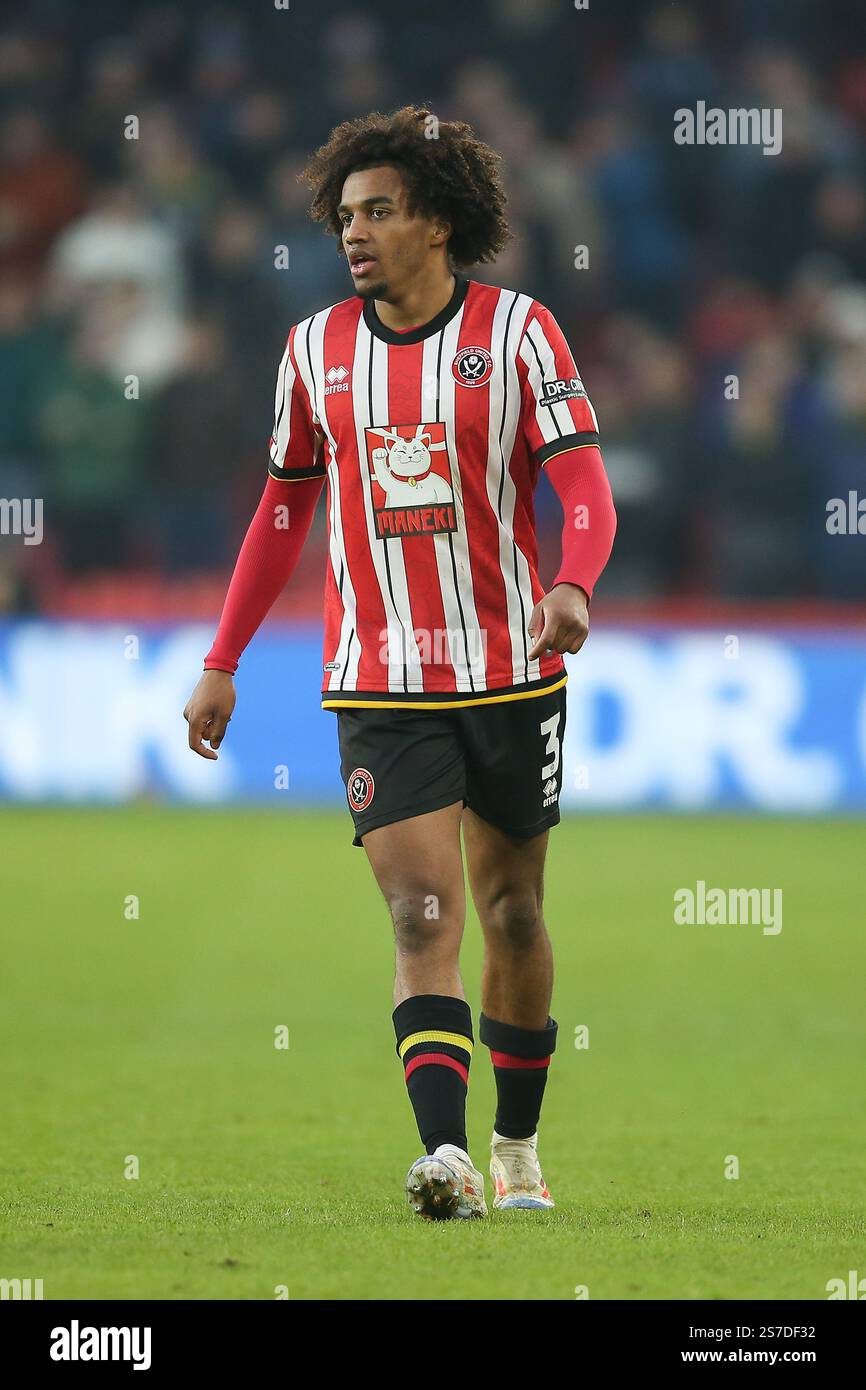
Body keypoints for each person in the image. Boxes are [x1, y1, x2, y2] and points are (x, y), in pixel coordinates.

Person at [183, 106, 616, 1219]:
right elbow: (282, 511)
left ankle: (516, 1144)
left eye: (377, 211)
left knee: (513, 912)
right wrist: (223, 656)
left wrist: (571, 582)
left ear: (436, 222)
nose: (354, 234)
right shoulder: (311, 351)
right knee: (421, 914)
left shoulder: (519, 333)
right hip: (380, 680)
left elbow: (581, 484)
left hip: (511, 672)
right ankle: (448, 1159)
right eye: (343, 217)